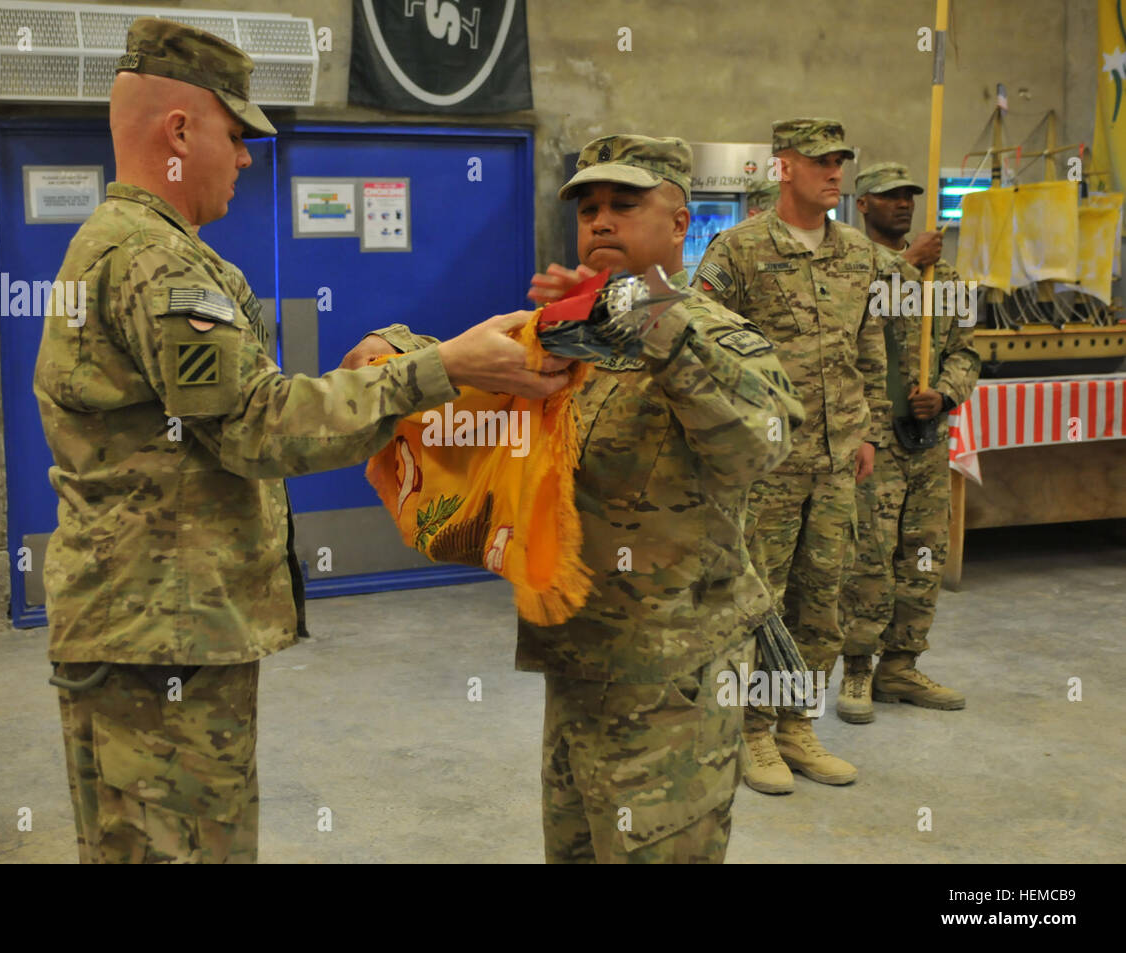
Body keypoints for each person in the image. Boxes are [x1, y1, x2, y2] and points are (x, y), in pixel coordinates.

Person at [34, 17, 571, 864]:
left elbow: (230, 410)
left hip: (158, 626)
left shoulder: (140, 250)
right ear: (180, 131)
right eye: (236, 134)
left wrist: (410, 370)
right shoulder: (154, 261)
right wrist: (435, 368)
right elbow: (253, 426)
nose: (248, 157)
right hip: (157, 634)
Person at [349, 135, 803, 862]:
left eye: (624, 205)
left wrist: (649, 314)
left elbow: (761, 442)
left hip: (673, 680)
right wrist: (392, 345)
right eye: (589, 207)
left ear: (682, 223)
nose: (599, 221)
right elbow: (481, 376)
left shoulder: (714, 335)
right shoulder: (568, 338)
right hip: (575, 664)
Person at [696, 119, 890, 795]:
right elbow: (700, 341)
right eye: (819, 161)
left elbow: (868, 347)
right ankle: (749, 731)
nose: (834, 172)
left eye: (840, 160)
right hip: (767, 465)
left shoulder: (859, 254)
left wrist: (868, 433)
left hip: (837, 461)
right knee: (760, 600)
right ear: (784, 169)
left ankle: (796, 725)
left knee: (821, 600)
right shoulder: (739, 249)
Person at [836, 161, 980, 723]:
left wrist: (944, 394)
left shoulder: (945, 281)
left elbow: (967, 352)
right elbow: (842, 321)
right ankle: (855, 670)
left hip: (926, 439)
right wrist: (904, 265)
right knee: (867, 556)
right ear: (863, 204)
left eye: (909, 196)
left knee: (923, 554)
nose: (902, 204)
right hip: (871, 439)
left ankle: (899, 665)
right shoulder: (849, 263)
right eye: (888, 196)